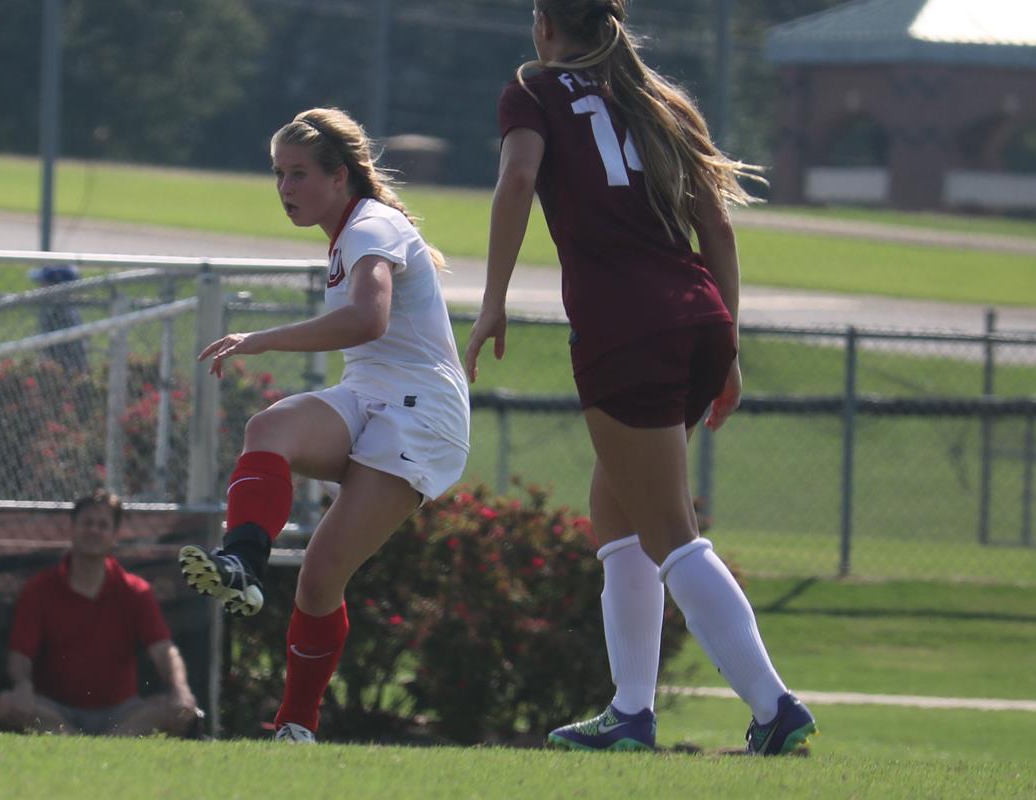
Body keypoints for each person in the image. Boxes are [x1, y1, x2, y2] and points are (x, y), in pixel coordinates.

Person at [466, 0, 816, 756]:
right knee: (615, 509)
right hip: (696, 313)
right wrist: (727, 347)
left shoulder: (531, 87)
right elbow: (716, 227)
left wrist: (492, 302)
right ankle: (630, 711)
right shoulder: (660, 100)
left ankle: (774, 706)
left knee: (671, 536)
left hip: (625, 326)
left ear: (546, 24)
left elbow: (517, 179)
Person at [179, 108, 470, 744]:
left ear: (340, 177)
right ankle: (243, 563)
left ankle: (295, 727)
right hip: (372, 393)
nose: (285, 187)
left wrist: (261, 340)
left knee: (319, 578)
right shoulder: (348, 231)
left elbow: (369, 320)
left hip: (422, 413)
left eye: (300, 173)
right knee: (270, 429)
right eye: (278, 173)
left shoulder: (372, 224)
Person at [0, 490, 201, 737]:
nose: (94, 530)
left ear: (115, 535)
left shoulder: (136, 591)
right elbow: (20, 655)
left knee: (176, 711)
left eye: (103, 525)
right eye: (87, 523)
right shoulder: (39, 589)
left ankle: (106, 742)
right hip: (57, 711)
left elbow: (164, 649)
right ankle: (77, 740)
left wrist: (180, 689)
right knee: (6, 704)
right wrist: (22, 686)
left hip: (124, 713)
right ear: (72, 528)